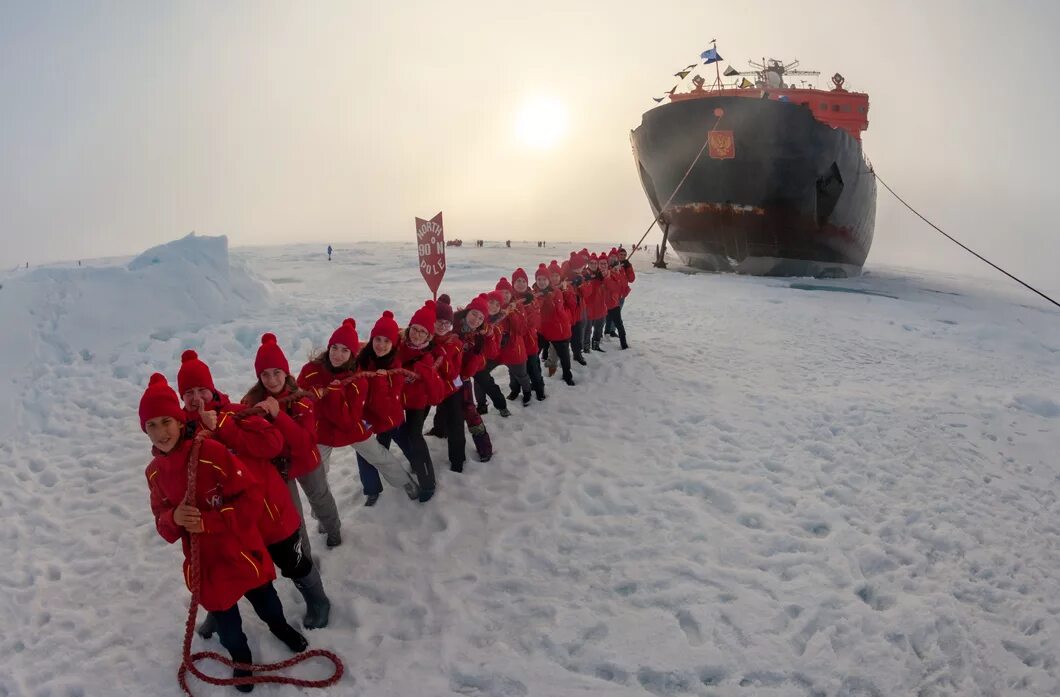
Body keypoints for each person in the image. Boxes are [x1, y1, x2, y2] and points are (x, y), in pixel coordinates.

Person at [141, 373, 307, 693]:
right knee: (228, 625)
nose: (161, 432)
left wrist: (211, 521)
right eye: (152, 425)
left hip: (241, 548)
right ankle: (241, 658)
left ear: (179, 421)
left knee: (267, 601)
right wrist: (173, 517)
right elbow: (162, 524)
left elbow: (251, 497)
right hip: (208, 564)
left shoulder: (213, 453)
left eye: (166, 422)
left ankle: (280, 627)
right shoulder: (154, 474)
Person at [174, 350, 327, 636]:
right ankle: (220, 613)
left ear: (213, 389)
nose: (197, 398)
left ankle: (317, 599)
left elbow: (272, 443)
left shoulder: (235, 413)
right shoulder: (182, 431)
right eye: (189, 392)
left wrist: (220, 426)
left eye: (202, 390)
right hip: (229, 522)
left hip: (270, 514)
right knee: (224, 570)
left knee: (292, 562)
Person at [239, 333, 333, 627]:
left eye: (276, 372)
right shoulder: (251, 402)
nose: (271, 379)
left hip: (306, 461)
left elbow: (305, 442)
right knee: (293, 521)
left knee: (320, 498)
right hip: (278, 471)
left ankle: (334, 530)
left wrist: (279, 416)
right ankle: (306, 564)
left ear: (286, 371)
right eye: (264, 374)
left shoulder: (301, 397)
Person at [297, 318, 420, 512]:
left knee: (378, 455)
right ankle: (322, 513)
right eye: (335, 347)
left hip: (350, 425)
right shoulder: (310, 371)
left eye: (345, 350)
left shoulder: (358, 379)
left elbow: (347, 420)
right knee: (318, 471)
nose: (338, 354)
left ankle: (405, 482)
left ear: (353, 354)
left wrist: (334, 394)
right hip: (322, 429)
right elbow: (300, 400)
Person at [430, 294, 469, 469]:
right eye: (439, 321)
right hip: (427, 389)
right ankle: (437, 431)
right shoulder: (424, 339)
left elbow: (453, 372)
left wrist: (442, 354)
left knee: (456, 421)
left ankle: (457, 459)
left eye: (447, 323)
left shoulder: (455, 343)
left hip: (450, 387)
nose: (443, 326)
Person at [493, 277, 533, 406]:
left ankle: (527, 392)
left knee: (521, 374)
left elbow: (521, 330)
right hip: (501, 347)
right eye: (501, 292)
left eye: (507, 292)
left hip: (516, 347)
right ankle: (514, 390)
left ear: (511, 294)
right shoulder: (494, 308)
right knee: (511, 372)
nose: (504, 295)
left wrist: (511, 313)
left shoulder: (518, 307)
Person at [508, 268, 546, 401]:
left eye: (523, 281)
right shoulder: (509, 300)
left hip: (529, 341)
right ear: (513, 283)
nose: (521, 283)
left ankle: (539, 389)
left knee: (533, 368)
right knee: (514, 370)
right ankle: (515, 389)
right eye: (518, 281)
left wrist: (525, 308)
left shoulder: (532, 299)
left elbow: (534, 321)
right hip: (514, 343)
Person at [535, 263, 575, 386]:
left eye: (544, 279)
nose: (542, 282)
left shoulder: (556, 292)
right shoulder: (534, 294)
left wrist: (547, 296)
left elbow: (556, 310)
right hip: (543, 330)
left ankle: (567, 376)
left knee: (564, 357)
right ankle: (535, 377)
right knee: (533, 355)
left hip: (559, 330)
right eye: (539, 279)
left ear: (549, 280)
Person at [473, 291, 510, 417]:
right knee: (476, 383)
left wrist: (488, 336)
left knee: (487, 383)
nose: (493, 306)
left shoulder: (497, 326)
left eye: (497, 305)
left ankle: (501, 406)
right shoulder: (475, 316)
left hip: (484, 359)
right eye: (491, 302)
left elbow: (493, 352)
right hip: (469, 359)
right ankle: (481, 405)